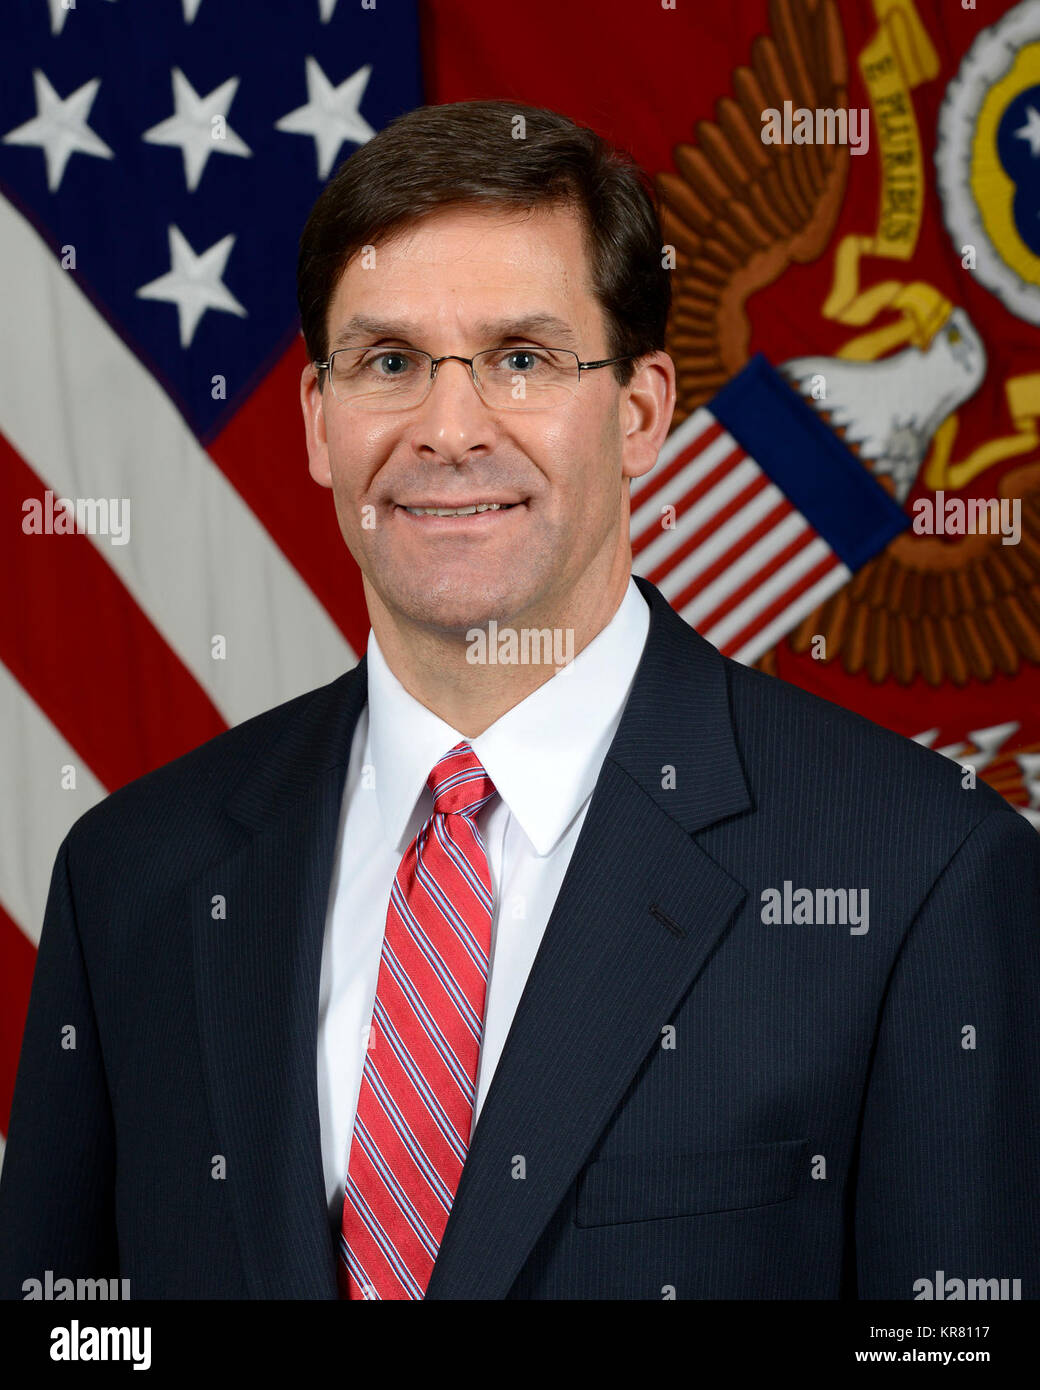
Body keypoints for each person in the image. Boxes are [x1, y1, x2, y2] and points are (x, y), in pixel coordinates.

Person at [2, 99, 1038, 1302]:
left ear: (641, 410)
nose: (449, 429)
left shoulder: (922, 874)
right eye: (388, 362)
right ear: (317, 423)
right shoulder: (133, 874)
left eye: (521, 360)